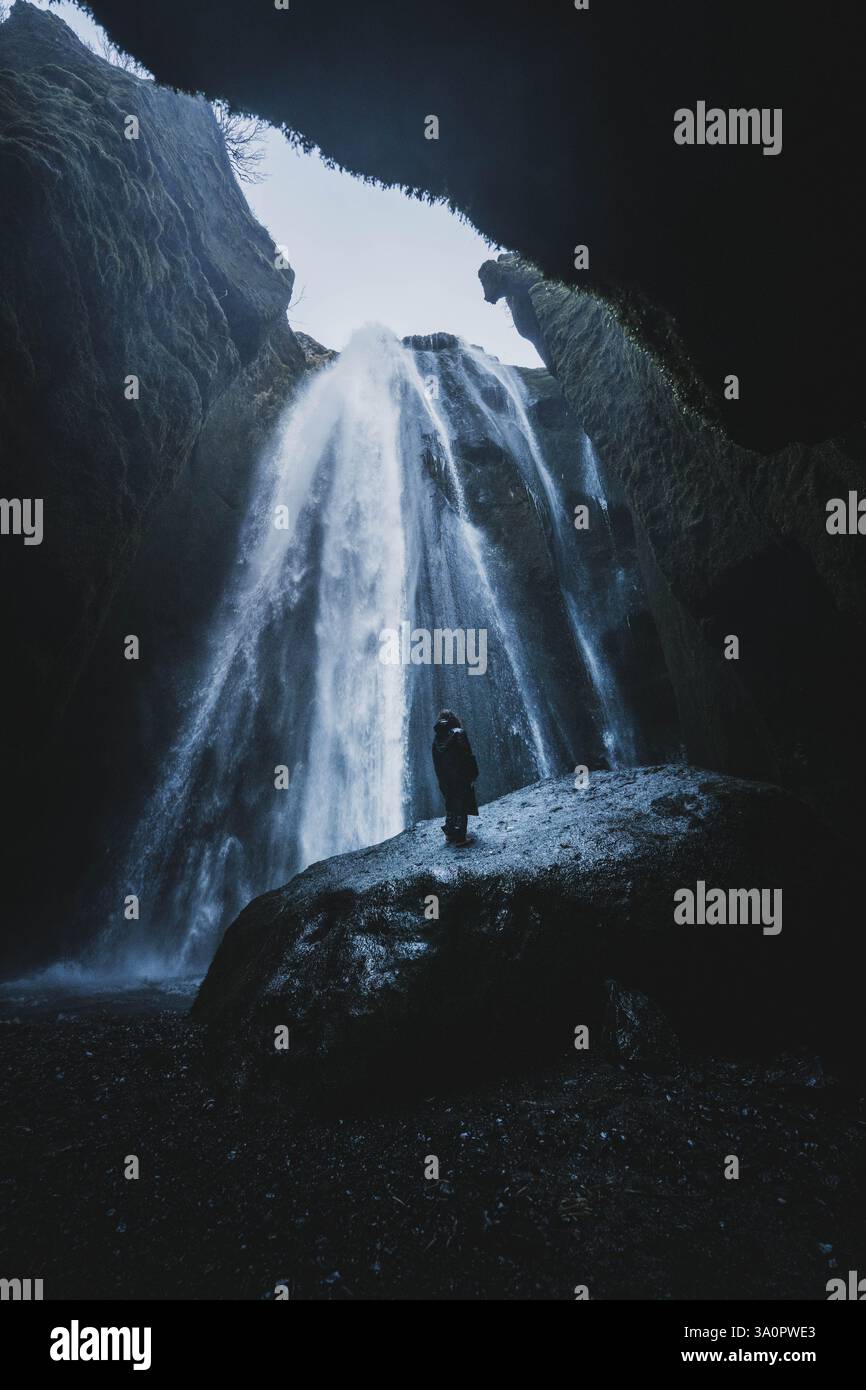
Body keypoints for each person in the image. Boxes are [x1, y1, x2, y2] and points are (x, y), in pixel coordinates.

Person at [431, 709, 479, 847]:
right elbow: (467, 756)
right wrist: (473, 774)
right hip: (460, 776)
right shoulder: (459, 733)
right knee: (462, 804)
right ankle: (460, 838)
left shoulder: (436, 739)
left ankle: (449, 833)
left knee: (450, 804)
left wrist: (441, 780)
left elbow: (436, 763)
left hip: (445, 779)